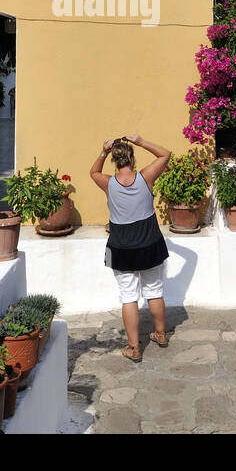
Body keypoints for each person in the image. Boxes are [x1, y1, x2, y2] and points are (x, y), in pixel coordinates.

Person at [90, 134, 170, 362]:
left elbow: (93, 172)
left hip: (120, 246)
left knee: (129, 296)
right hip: (150, 242)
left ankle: (134, 348)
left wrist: (103, 150)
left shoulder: (108, 182)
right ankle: (161, 334)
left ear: (115, 161)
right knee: (154, 289)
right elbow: (165, 154)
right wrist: (141, 141)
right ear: (132, 159)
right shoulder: (146, 177)